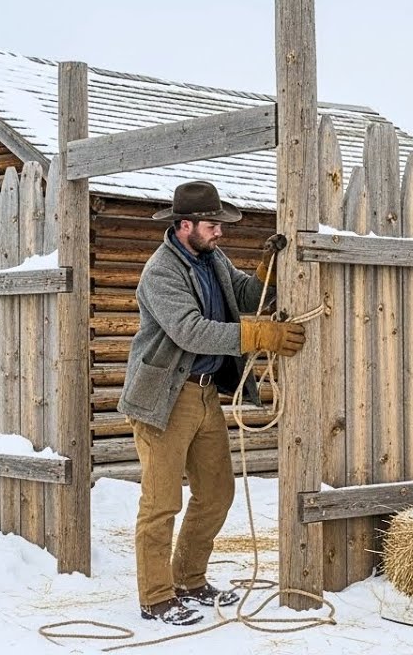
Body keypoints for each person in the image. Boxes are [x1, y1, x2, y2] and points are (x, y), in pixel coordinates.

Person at [117, 180, 307, 626]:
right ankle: (156, 597)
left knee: (217, 493)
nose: (220, 231)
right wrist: (260, 335)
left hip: (203, 392)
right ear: (185, 225)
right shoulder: (160, 272)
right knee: (161, 503)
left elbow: (244, 295)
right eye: (211, 225)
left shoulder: (211, 258)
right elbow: (191, 331)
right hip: (163, 398)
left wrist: (268, 269)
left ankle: (188, 579)